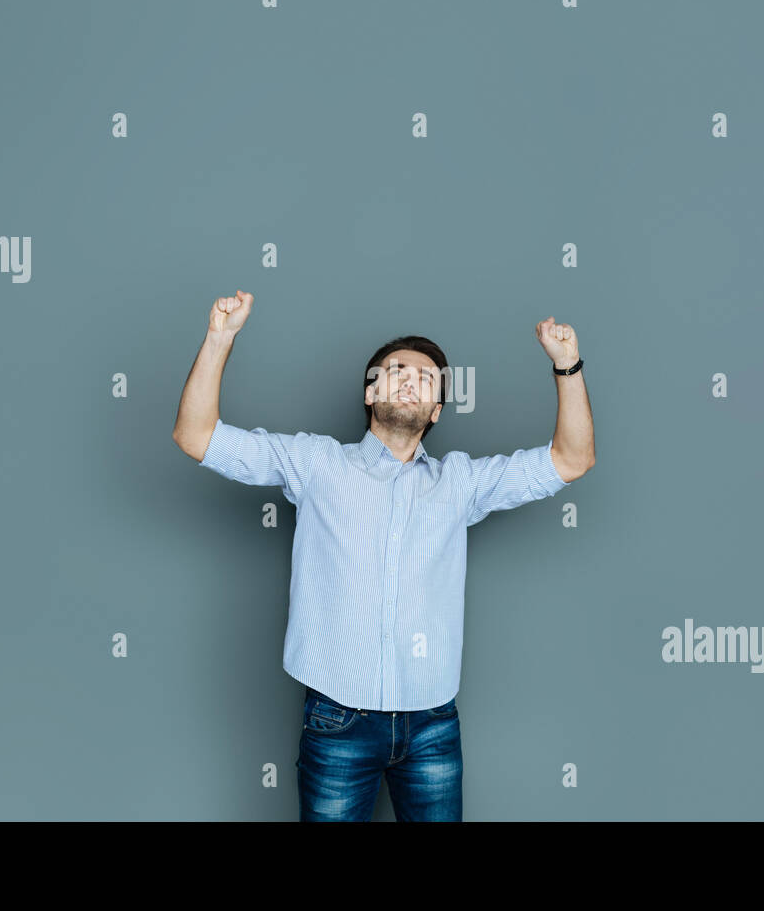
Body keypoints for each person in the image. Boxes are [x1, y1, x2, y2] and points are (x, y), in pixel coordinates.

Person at [172, 290, 596, 820]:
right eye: (393, 369)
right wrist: (219, 339)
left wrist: (567, 366)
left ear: (437, 408)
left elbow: (572, 458)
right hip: (336, 720)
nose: (408, 377)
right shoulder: (316, 463)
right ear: (371, 394)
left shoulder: (462, 482)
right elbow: (196, 435)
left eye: (425, 377)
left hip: (433, 725)